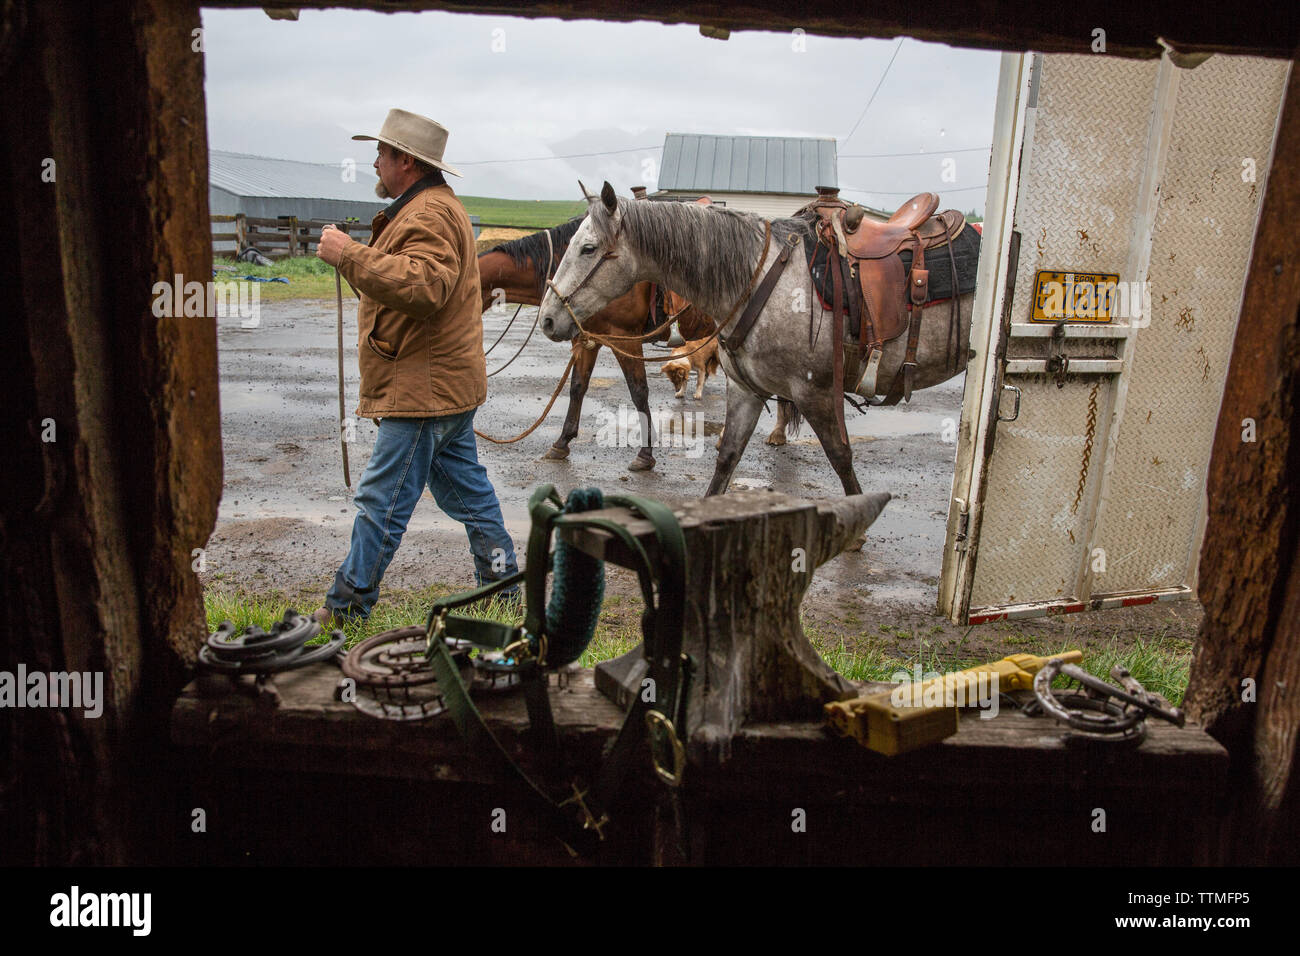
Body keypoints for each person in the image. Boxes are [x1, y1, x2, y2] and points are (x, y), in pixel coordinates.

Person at [313, 108, 518, 627]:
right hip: (440, 388)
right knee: (470, 498)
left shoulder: (426, 213)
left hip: (422, 393)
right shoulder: (432, 207)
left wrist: (348, 255)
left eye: (381, 152)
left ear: (406, 160)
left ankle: (346, 607)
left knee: (381, 500)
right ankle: (503, 592)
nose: (374, 161)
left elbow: (424, 288)